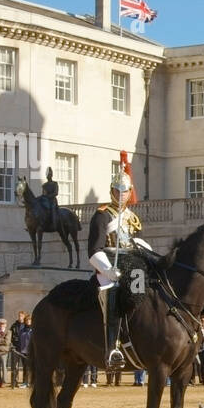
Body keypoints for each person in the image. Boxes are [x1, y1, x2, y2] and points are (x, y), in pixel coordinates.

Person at [87, 157, 148, 367]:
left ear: (129, 192)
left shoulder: (132, 217)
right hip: (109, 264)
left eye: (124, 191)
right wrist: (108, 270)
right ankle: (112, 347)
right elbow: (93, 250)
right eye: (117, 191)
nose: (121, 195)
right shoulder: (102, 215)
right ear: (112, 191)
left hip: (131, 263)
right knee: (112, 290)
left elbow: (136, 240)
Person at [39, 166, 61, 232]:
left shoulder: (55, 184)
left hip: (52, 201)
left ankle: (54, 225)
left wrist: (48, 196)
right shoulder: (44, 185)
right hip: (46, 201)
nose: (48, 176)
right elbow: (43, 194)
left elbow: (56, 193)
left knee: (52, 209)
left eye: (49, 175)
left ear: (51, 175)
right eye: (47, 175)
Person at [9, 311, 28, 388]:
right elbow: (10, 336)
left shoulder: (27, 326)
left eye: (21, 316)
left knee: (25, 366)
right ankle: (14, 382)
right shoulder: (14, 325)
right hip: (16, 348)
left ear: (24, 317)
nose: (20, 317)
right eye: (19, 316)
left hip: (24, 349)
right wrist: (11, 345)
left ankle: (24, 382)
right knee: (15, 366)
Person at [17, 314, 33, 388]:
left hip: (31, 351)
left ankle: (31, 382)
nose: (28, 321)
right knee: (24, 367)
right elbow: (20, 340)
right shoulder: (22, 330)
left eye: (29, 320)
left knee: (31, 367)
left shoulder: (33, 330)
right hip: (23, 351)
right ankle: (25, 382)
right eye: (27, 320)